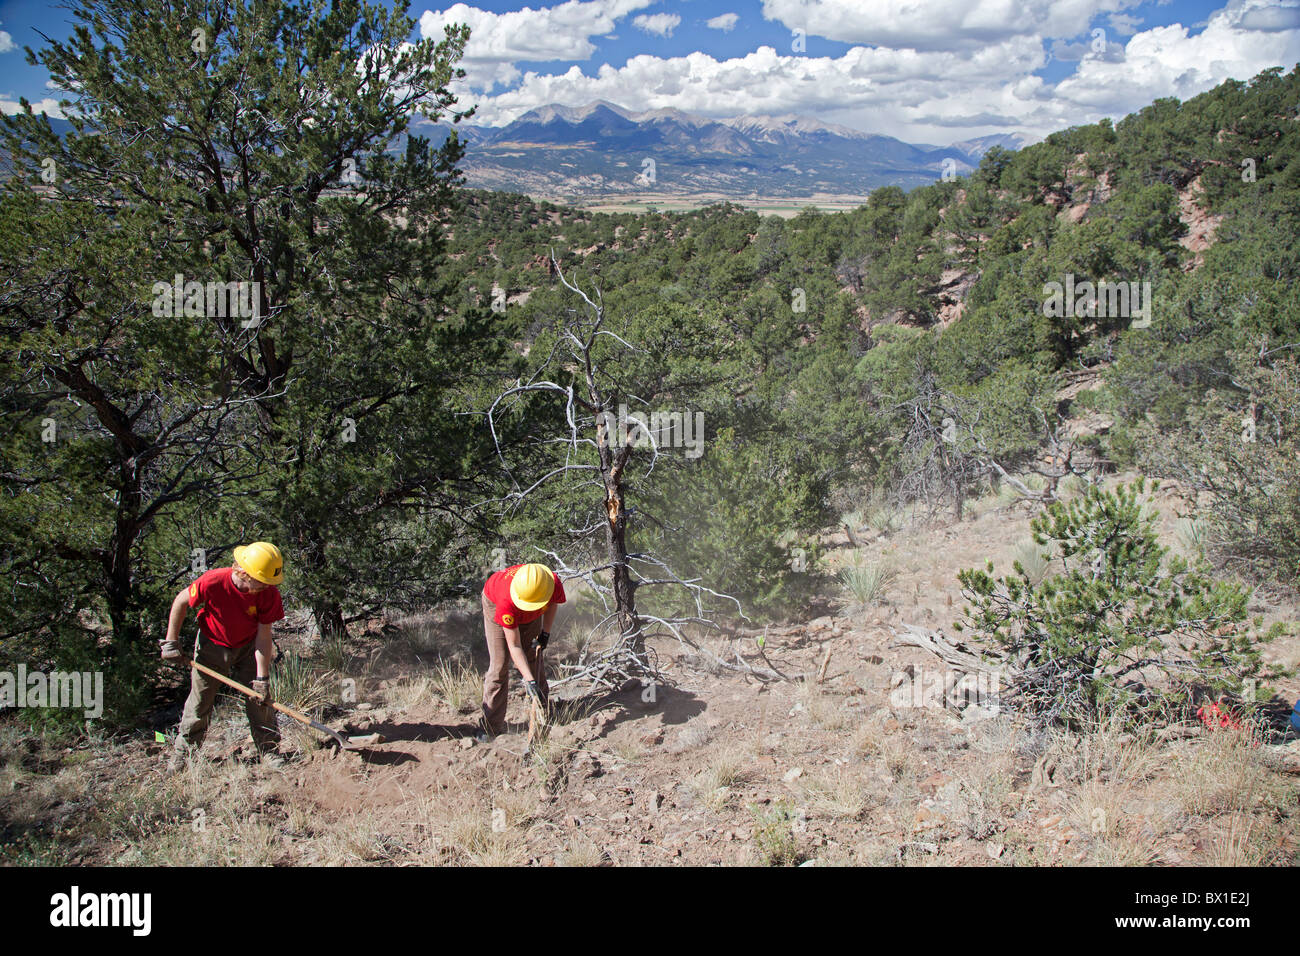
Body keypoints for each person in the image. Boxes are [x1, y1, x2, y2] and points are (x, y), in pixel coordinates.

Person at [160, 542, 286, 770]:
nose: (266, 586)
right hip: (211, 647)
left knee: (259, 701)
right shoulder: (213, 581)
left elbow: (263, 637)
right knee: (200, 704)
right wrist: (171, 641)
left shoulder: (268, 594)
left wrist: (262, 678)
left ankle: (269, 750)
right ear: (244, 572)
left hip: (248, 647)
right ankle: (184, 755)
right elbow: (180, 601)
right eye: (261, 581)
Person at [480, 562, 565, 739]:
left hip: (529, 608)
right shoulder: (506, 603)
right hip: (496, 604)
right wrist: (528, 680)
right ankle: (490, 727)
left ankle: (543, 714)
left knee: (535, 656)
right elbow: (514, 645)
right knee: (499, 666)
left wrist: (545, 634)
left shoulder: (551, 583)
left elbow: (552, 605)